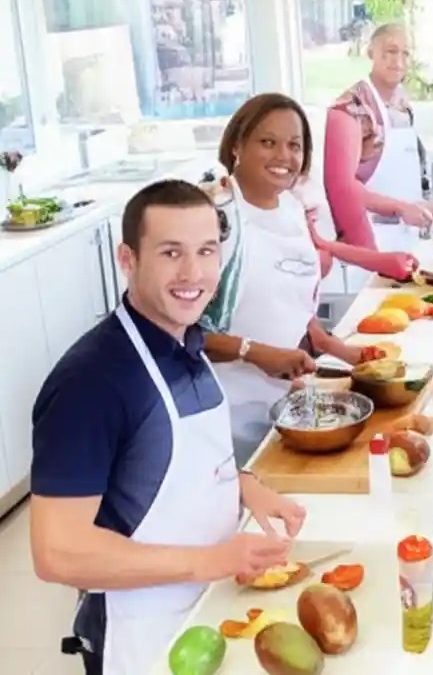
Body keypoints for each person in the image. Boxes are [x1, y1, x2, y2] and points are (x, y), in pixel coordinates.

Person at [29, 180, 304, 675]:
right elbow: (57, 553)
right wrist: (215, 560)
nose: (192, 273)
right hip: (142, 636)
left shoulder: (187, 342)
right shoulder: (91, 381)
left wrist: (245, 488)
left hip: (210, 613)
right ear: (128, 259)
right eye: (170, 252)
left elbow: (159, 466)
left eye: (206, 251)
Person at [200, 93, 369, 466]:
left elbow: (290, 288)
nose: (284, 156)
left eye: (294, 145)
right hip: (217, 412)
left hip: (279, 404)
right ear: (237, 145)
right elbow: (176, 332)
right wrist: (256, 354)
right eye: (267, 142)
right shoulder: (212, 215)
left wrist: (328, 343)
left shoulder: (291, 208)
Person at [323, 22, 433, 281]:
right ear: (371, 52)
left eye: (406, 53)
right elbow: (341, 187)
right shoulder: (350, 108)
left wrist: (422, 206)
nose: (399, 61)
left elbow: (397, 179)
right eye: (391, 51)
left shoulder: (402, 105)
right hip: (372, 241)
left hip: (407, 237)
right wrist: (400, 208)